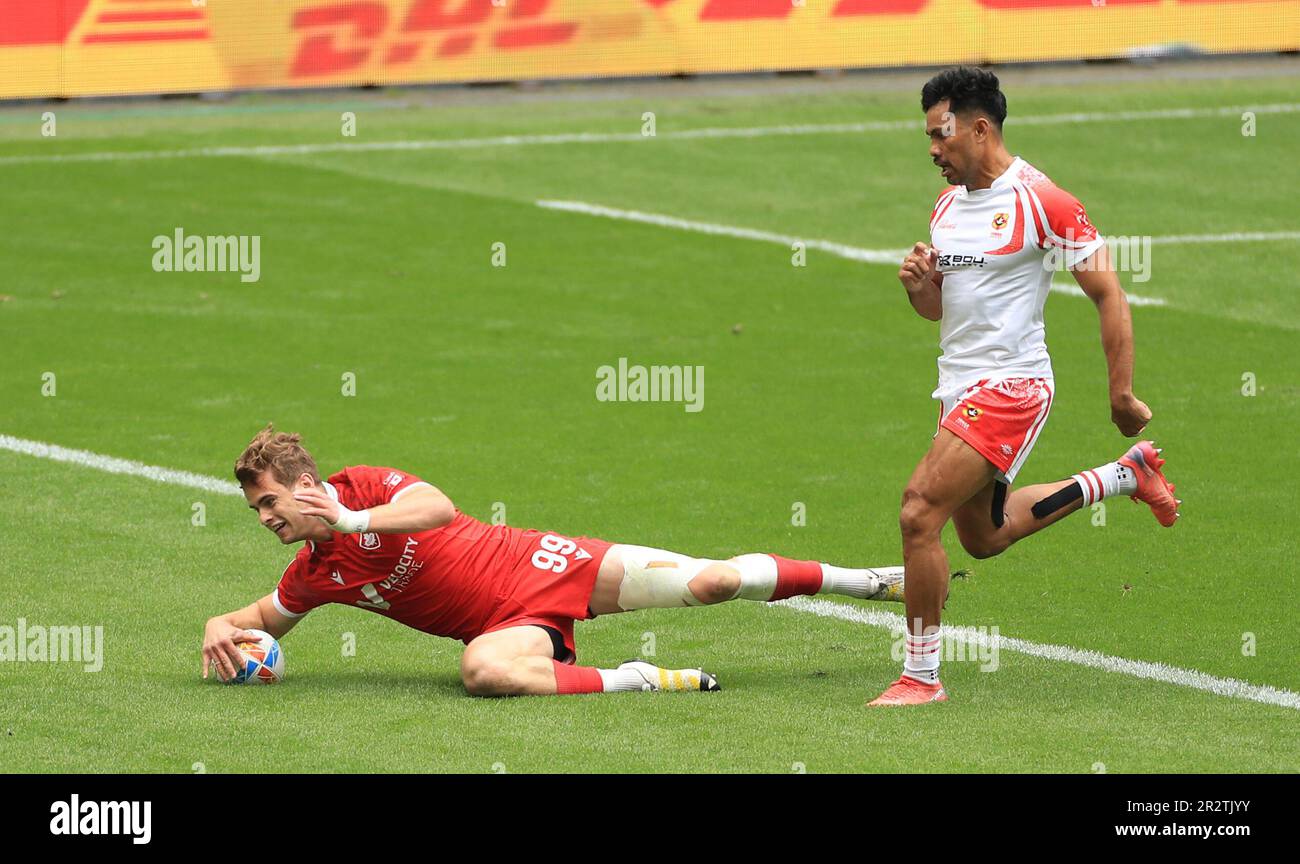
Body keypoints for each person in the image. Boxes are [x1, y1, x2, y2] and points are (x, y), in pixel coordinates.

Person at [875, 67, 1180, 707]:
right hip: (957, 390)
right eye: (928, 136)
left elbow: (1109, 293)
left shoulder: (1043, 201)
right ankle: (1123, 476)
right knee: (983, 539)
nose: (932, 148)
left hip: (1013, 387)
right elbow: (942, 313)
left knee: (917, 512)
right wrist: (919, 289)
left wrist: (1121, 394)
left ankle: (921, 677)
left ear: (980, 128)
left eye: (942, 134)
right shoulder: (947, 206)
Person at [202, 425, 910, 696]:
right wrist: (217, 624)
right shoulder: (315, 575)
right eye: (256, 511)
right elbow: (264, 617)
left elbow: (438, 507)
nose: (265, 520)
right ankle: (636, 679)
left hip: (542, 562)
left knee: (716, 580)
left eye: (268, 504)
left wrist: (353, 520)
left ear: (304, 488)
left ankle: (868, 580)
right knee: (482, 673)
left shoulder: (362, 487)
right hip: (505, 624)